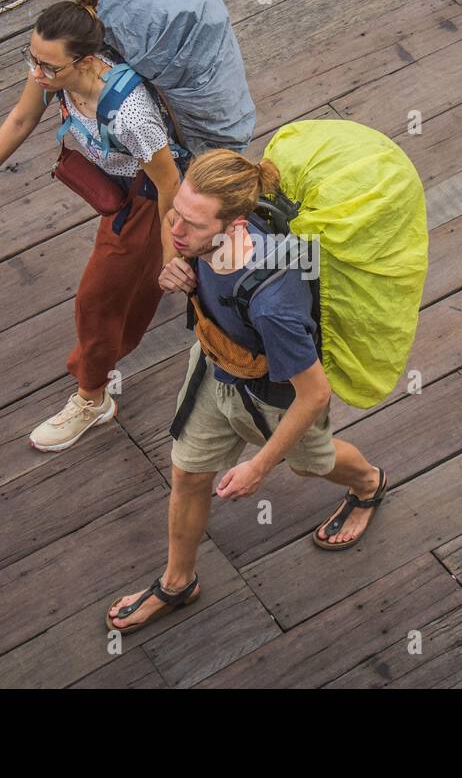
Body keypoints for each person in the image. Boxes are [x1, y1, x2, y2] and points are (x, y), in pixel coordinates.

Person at [105, 150, 388, 633]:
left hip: (273, 397)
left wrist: (259, 466)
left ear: (235, 226)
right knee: (189, 474)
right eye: (176, 213)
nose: (175, 230)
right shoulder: (200, 231)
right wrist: (173, 265)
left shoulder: (274, 302)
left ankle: (368, 484)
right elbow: (179, 234)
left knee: (310, 462)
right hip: (215, 368)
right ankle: (178, 583)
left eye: (190, 226)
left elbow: (314, 395)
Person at [0, 0, 185, 452]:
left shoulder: (131, 114)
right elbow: (20, 119)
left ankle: (93, 400)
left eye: (49, 66)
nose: (37, 73)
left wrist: (171, 253)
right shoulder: (52, 74)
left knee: (96, 301)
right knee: (130, 290)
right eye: (31, 59)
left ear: (87, 60)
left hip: (151, 197)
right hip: (119, 188)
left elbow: (171, 185)